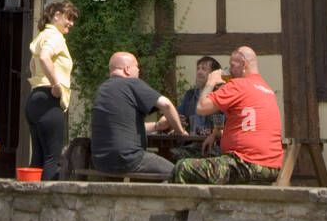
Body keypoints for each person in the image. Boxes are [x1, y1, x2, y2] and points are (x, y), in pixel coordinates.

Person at [171, 46, 283, 185]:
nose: (229, 70)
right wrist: (218, 134)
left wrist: (211, 82)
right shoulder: (266, 90)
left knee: (183, 167)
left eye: (232, 65)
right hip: (270, 167)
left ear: (243, 64)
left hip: (246, 164)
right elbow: (250, 127)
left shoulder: (238, 85)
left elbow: (201, 108)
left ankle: (181, 207)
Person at [91, 52, 187, 178]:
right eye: (137, 67)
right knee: (177, 174)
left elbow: (123, 127)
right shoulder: (131, 83)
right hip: (128, 158)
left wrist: (157, 126)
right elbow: (166, 105)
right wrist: (180, 131)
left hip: (101, 162)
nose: (138, 71)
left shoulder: (103, 89)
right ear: (127, 69)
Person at [25, 0, 78, 181]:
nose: (71, 23)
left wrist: (39, 82)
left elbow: (32, 64)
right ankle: (48, 205)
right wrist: (56, 85)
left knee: (38, 157)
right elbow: (44, 58)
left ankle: (30, 202)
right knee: (52, 159)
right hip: (49, 99)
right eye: (68, 18)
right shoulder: (55, 36)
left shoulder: (41, 35)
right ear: (57, 16)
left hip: (35, 98)